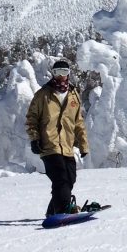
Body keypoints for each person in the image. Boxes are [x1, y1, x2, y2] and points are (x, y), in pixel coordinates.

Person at [26, 59, 91, 216]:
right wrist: (34, 139)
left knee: (69, 179)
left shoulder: (73, 95)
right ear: (53, 74)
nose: (61, 76)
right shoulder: (43, 95)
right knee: (61, 178)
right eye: (57, 73)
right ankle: (62, 210)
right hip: (49, 145)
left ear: (69, 74)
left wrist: (83, 145)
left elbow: (78, 122)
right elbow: (31, 119)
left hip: (67, 147)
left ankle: (52, 210)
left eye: (64, 73)